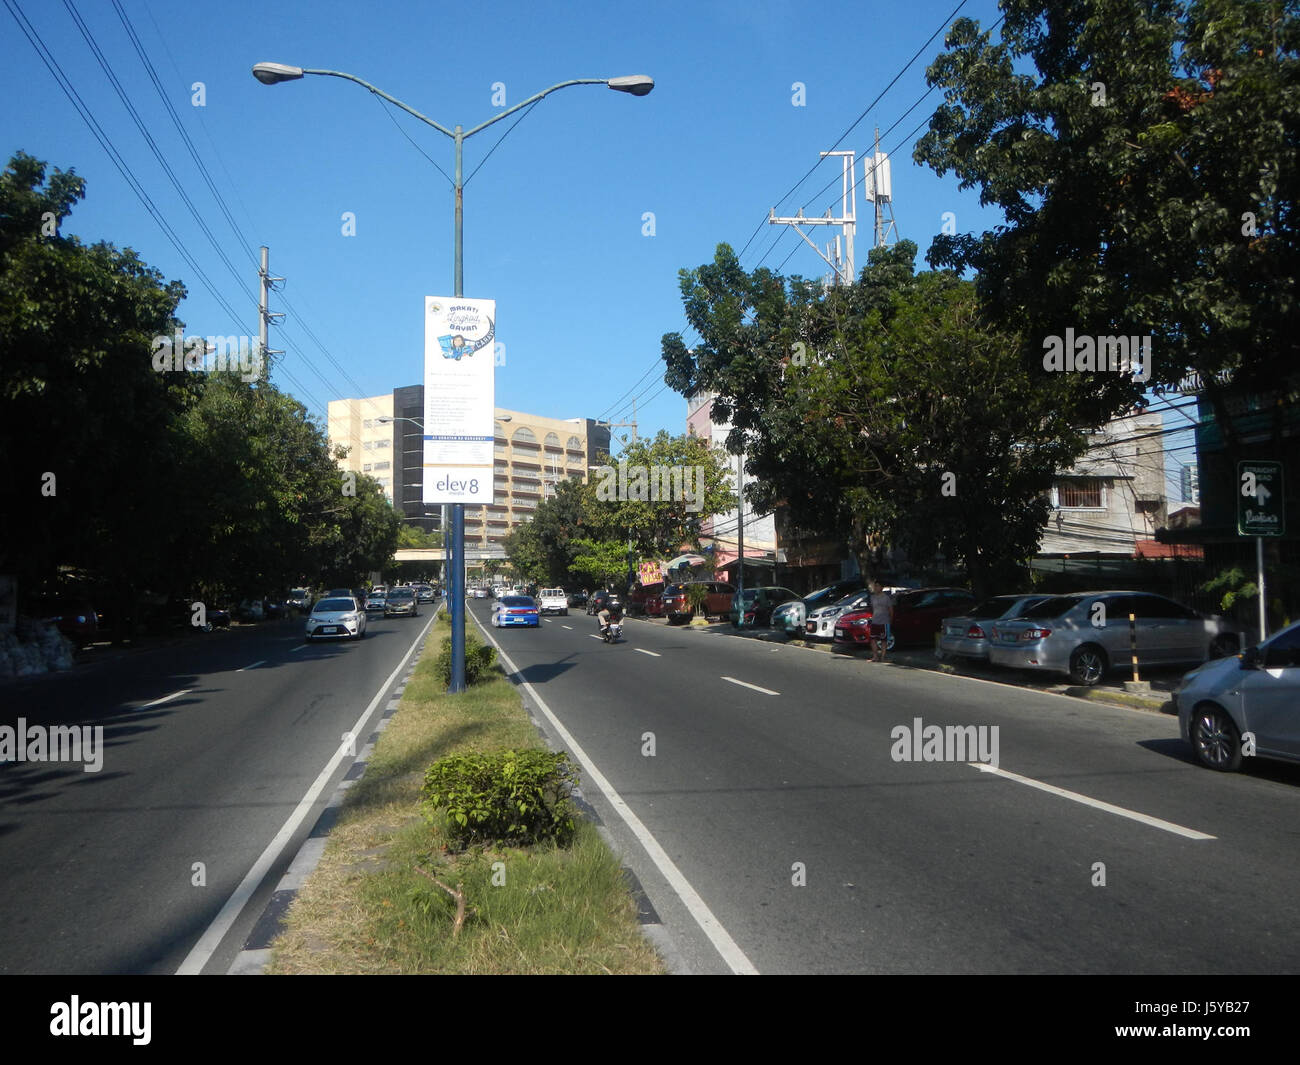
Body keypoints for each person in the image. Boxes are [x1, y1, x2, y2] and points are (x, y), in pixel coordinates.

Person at [868, 580, 894, 662]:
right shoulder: (872, 597)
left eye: (878, 586)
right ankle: (875, 656)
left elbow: (891, 610)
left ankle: (883, 657)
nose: (876, 588)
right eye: (875, 586)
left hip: (884, 622)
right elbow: (872, 609)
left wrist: (890, 620)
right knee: (873, 639)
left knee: (883, 640)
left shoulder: (886, 598)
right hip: (875, 621)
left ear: (881, 587)